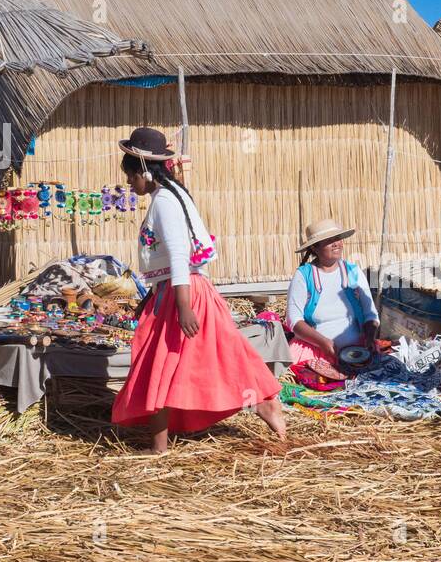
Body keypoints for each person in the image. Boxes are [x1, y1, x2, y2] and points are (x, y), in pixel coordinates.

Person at [111, 127, 285, 451]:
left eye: (131, 176)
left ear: (145, 171)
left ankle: (259, 404)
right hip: (181, 290)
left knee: (160, 363)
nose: (129, 183)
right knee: (195, 360)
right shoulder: (173, 194)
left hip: (183, 293)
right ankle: (259, 403)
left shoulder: (164, 201)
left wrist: (182, 305)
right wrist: (152, 296)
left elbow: (179, 254)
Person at [286, 218, 379, 366]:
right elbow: (294, 320)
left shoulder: (353, 272)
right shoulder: (303, 276)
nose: (336, 243)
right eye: (329, 240)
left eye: (337, 238)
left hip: (356, 352)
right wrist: (322, 342)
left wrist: (369, 339)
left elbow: (370, 314)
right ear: (315, 248)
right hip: (314, 352)